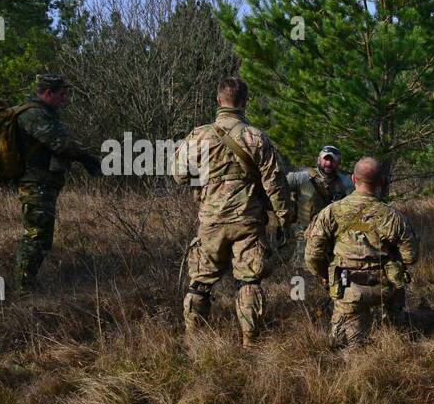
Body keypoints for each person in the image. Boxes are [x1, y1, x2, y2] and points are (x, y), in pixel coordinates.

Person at [172, 77, 294, 346]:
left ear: (218, 101)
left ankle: (194, 341)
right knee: (248, 281)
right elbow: (275, 182)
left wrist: (208, 179)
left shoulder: (198, 136)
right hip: (247, 220)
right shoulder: (256, 137)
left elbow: (180, 175)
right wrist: (285, 218)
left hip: (211, 221)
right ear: (244, 103)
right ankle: (250, 343)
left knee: (200, 283)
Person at [303, 157, 419, 350]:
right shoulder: (393, 217)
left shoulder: (331, 212)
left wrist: (325, 275)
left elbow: (312, 256)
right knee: (396, 340)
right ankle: (394, 327)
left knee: (345, 348)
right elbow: (410, 256)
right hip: (384, 288)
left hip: (347, 288)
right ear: (381, 182)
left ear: (353, 179)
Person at [11, 74, 102, 293]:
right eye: (62, 94)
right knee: (35, 235)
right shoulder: (33, 114)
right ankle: (23, 289)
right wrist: (86, 158)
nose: (65, 99)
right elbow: (59, 144)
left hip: (42, 183)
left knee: (41, 235)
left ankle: (26, 284)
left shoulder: (42, 113)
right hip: (35, 183)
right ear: (48, 93)